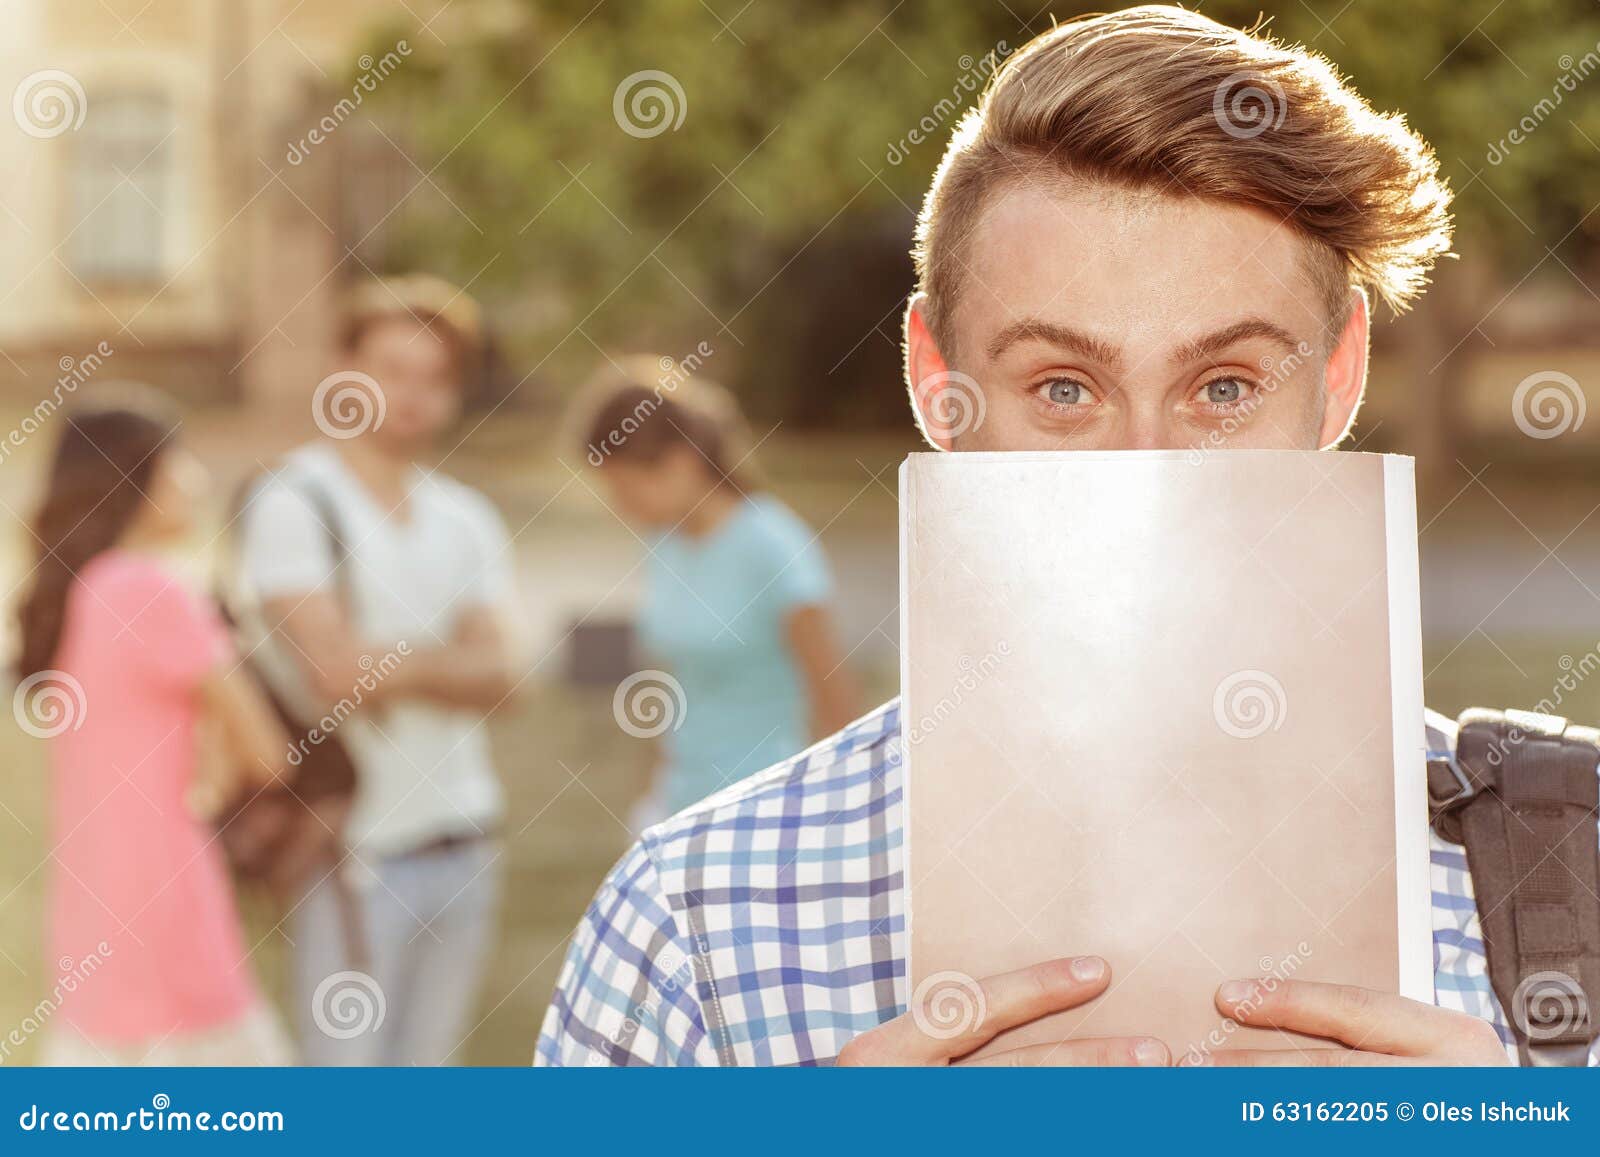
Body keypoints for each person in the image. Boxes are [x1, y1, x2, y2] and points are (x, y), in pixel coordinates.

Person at [537, 7, 1536, 1067]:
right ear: (938, 382)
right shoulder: (691, 921)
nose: (1145, 467)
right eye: (1063, 385)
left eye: (1226, 384)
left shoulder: (1573, 873)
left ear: (1336, 379)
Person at [235, 276, 521, 1065]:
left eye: (433, 378)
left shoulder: (466, 515)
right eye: (393, 369)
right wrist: (447, 661)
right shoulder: (293, 501)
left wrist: (387, 663)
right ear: (343, 370)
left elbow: (508, 677)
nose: (412, 395)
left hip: (466, 840)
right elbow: (333, 671)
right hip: (352, 854)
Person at [17, 389, 293, 1065]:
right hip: (168, 908)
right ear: (138, 477)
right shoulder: (153, 590)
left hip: (91, 914)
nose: (196, 478)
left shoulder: (83, 588)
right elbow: (269, 755)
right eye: (180, 459)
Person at [578, 358, 860, 829]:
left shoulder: (773, 545)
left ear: (681, 464)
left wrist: (829, 817)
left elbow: (834, 699)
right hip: (682, 803)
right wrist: (649, 797)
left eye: (627, 489)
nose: (620, 507)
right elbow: (670, 678)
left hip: (768, 810)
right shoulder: (662, 541)